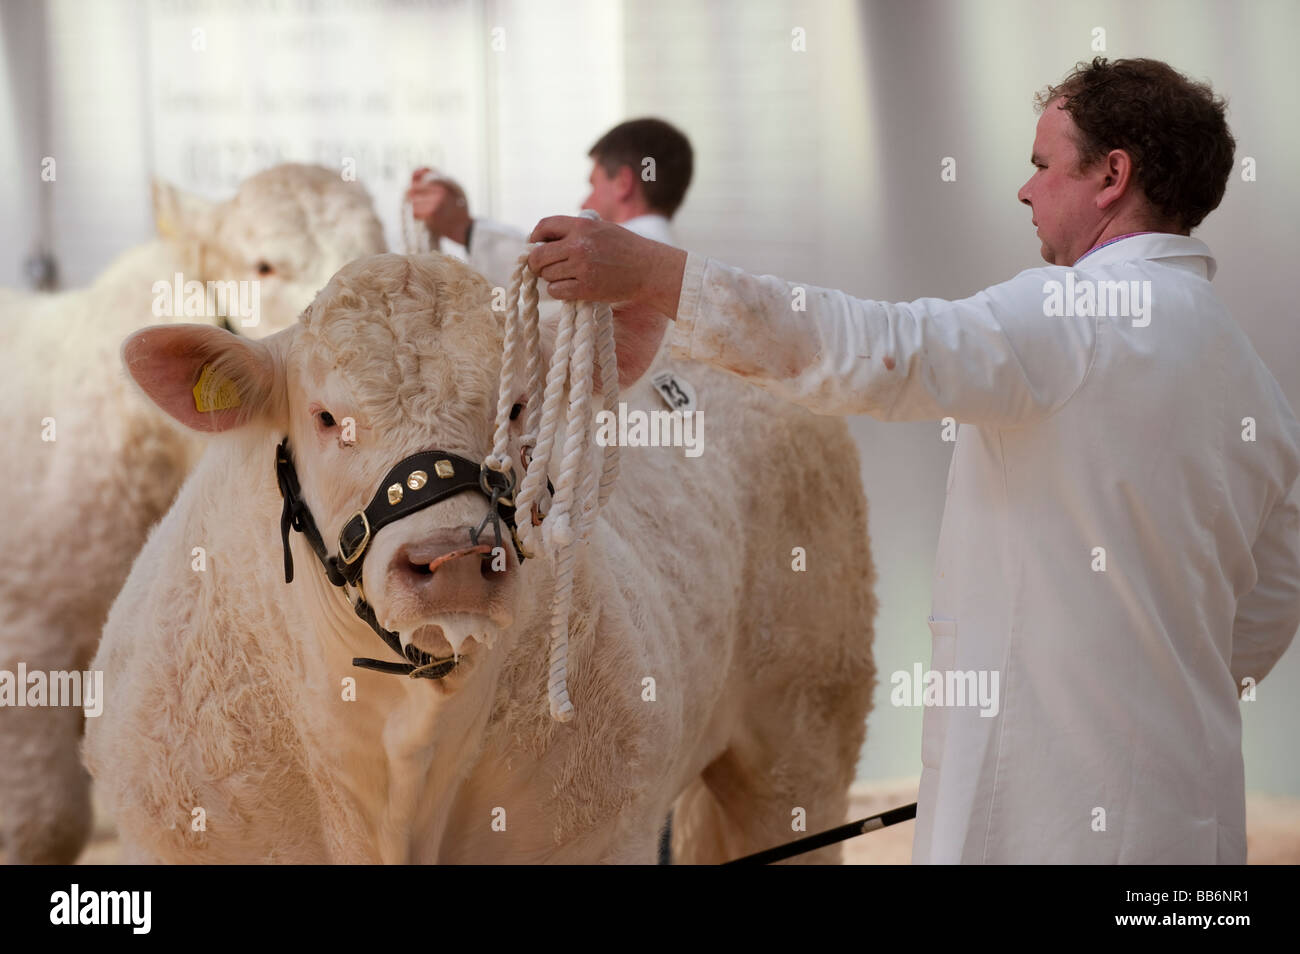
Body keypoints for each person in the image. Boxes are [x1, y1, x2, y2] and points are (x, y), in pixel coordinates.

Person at [521, 57, 1300, 864]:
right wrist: (1147, 689)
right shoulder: (1251, 381)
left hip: (1047, 831)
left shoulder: (1074, 314)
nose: (1026, 190)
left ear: (1112, 175)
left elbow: (877, 348)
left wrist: (659, 277)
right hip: (1193, 836)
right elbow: (1271, 605)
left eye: (1041, 165)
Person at [406, 116, 693, 289]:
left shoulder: (635, 257)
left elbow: (544, 266)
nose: (585, 200)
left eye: (593, 184)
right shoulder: (674, 261)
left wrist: (463, 227)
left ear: (623, 184)